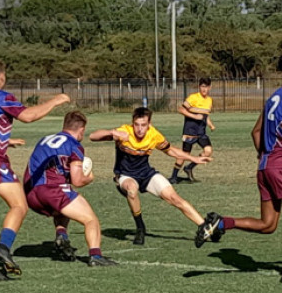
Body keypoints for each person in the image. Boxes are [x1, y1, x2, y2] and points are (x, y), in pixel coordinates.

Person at [196, 47, 282, 284]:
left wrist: (266, 158)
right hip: (281, 166)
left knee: (268, 224)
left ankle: (221, 222)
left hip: (264, 166)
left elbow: (256, 131)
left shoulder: (274, 97)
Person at [0, 59, 70, 281]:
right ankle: (3, 248)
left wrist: (5, 141)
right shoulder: (2, 96)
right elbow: (28, 116)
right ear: (1, 75)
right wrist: (55, 101)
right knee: (19, 205)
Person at [90, 106, 211, 246]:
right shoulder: (124, 132)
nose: (139, 129)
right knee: (131, 189)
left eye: (143, 125)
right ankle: (140, 228)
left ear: (149, 124)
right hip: (125, 175)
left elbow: (171, 151)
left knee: (173, 197)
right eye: (136, 124)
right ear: (132, 123)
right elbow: (93, 137)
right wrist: (112, 132)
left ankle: (205, 227)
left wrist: (194, 159)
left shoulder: (153, 135)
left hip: (146, 174)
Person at [24, 111, 116, 267]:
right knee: (90, 220)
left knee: (63, 208)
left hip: (30, 193)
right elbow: (78, 180)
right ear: (81, 130)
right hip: (52, 190)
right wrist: (90, 177)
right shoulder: (75, 146)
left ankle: (62, 236)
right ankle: (96, 255)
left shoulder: (44, 139)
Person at [169, 77, 215, 184]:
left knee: (208, 151)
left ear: (210, 87)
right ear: (199, 87)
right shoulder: (193, 97)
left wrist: (210, 124)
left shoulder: (209, 100)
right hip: (190, 131)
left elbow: (205, 115)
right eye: (203, 86)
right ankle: (174, 176)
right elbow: (181, 109)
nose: (205, 89)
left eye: (207, 87)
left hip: (201, 132)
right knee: (184, 154)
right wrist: (194, 117)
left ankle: (189, 167)